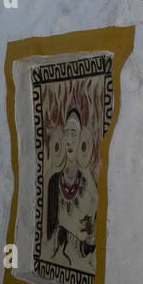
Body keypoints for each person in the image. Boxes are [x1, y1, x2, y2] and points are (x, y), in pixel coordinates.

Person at [45, 106, 98, 266]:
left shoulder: (87, 183)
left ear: (82, 138)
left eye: (73, 134)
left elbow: (96, 208)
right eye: (66, 134)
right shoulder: (54, 180)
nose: (69, 141)